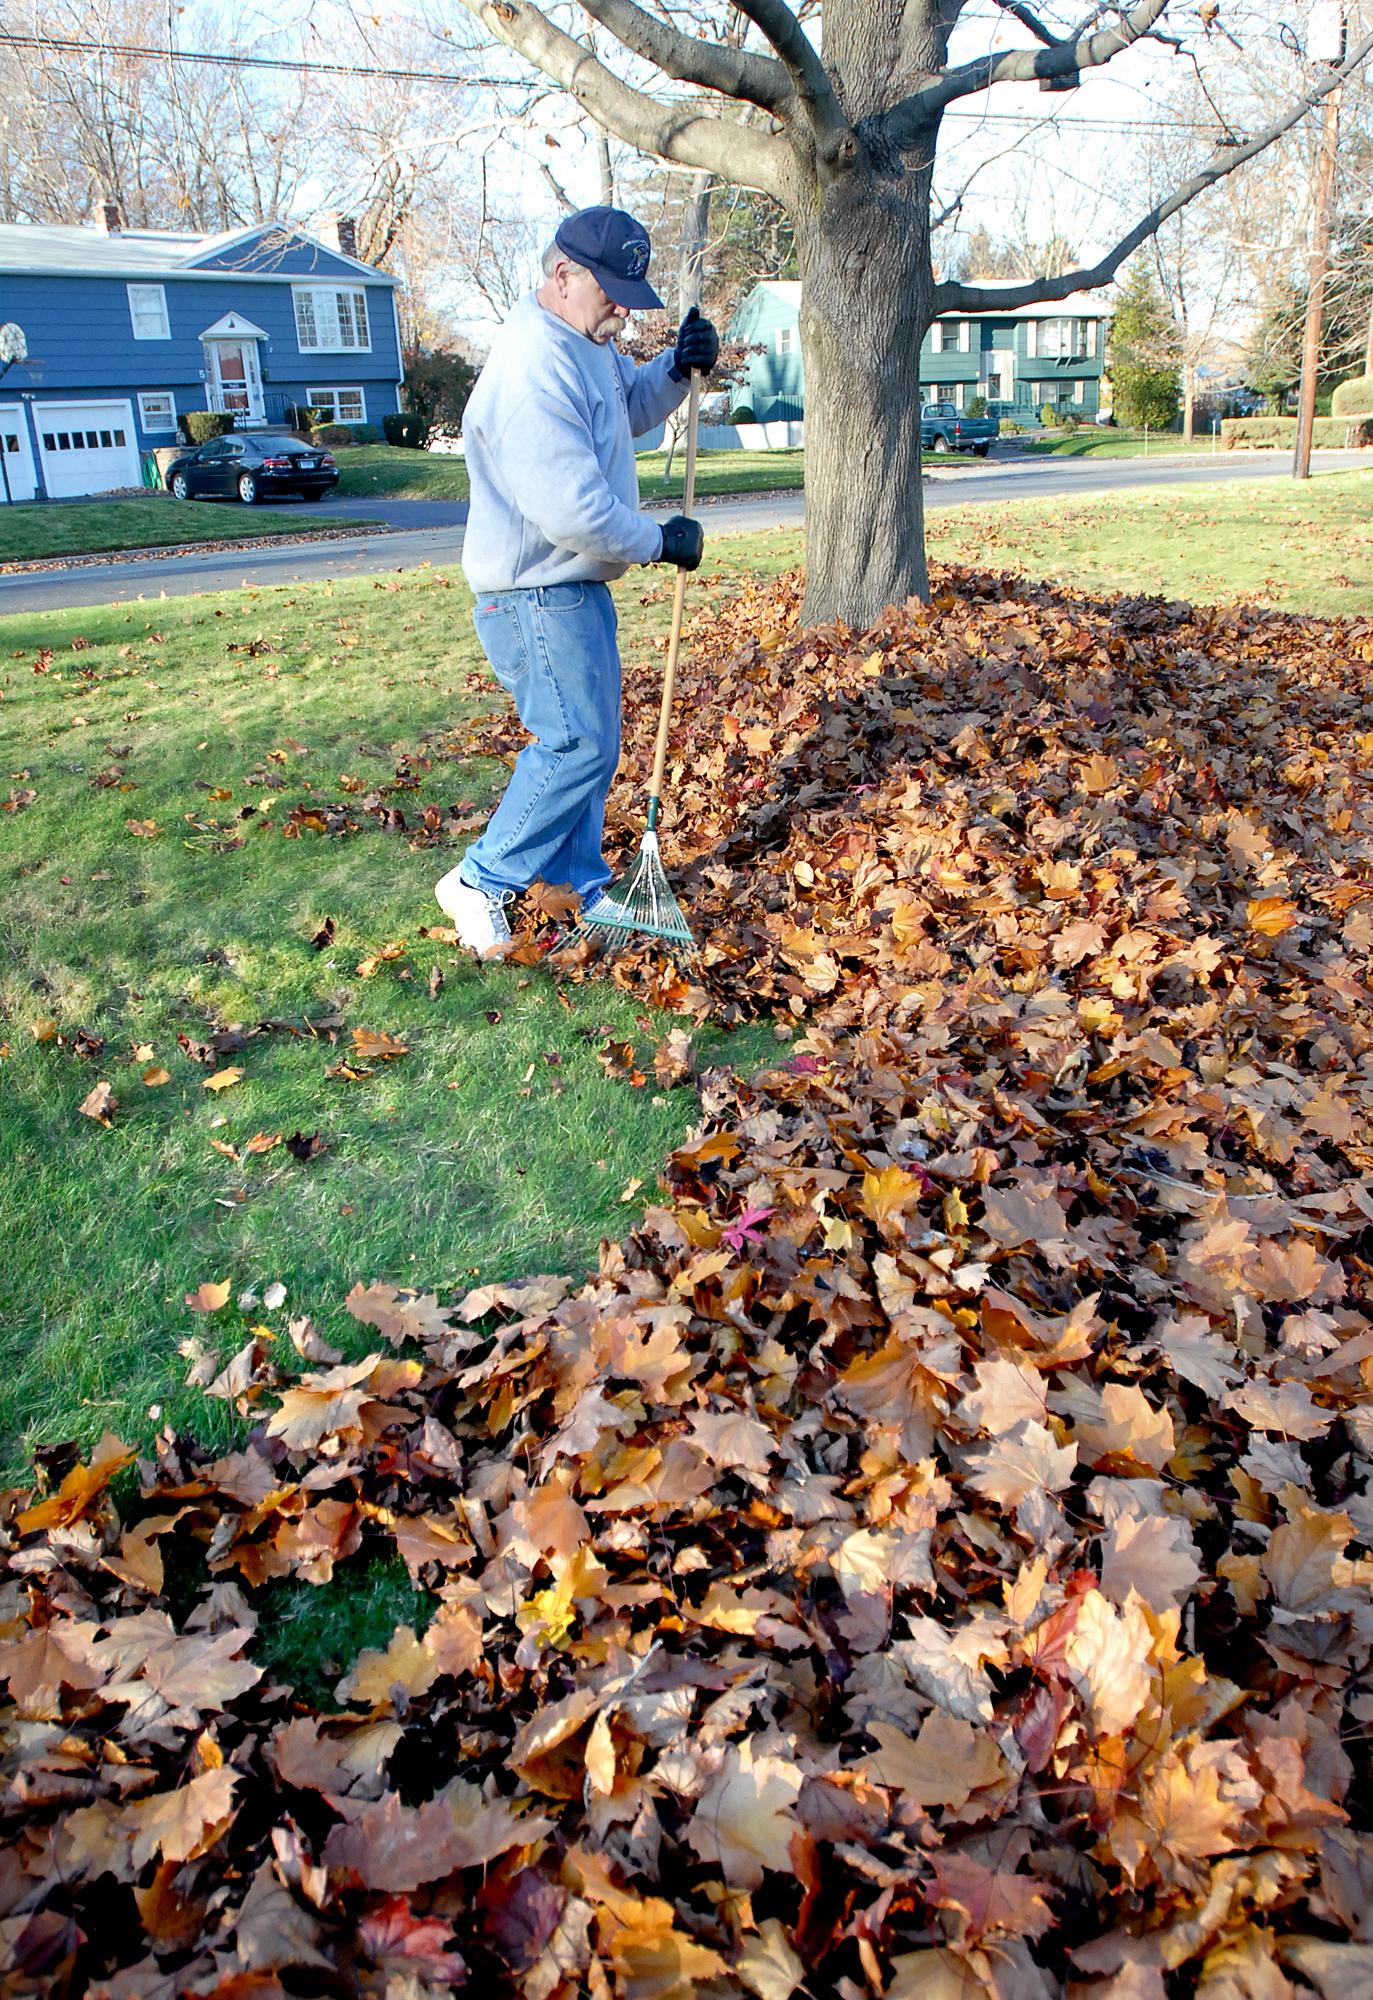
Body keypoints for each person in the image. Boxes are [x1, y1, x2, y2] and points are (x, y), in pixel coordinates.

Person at [435, 204, 720, 954]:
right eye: (612, 292)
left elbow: (624, 407)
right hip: (534, 590)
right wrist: (661, 541)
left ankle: (574, 881)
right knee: (573, 746)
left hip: (568, 588)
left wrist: (674, 369)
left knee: (591, 742)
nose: (624, 310)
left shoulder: (581, 340)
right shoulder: (532, 368)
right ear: (562, 274)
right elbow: (575, 513)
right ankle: (479, 880)